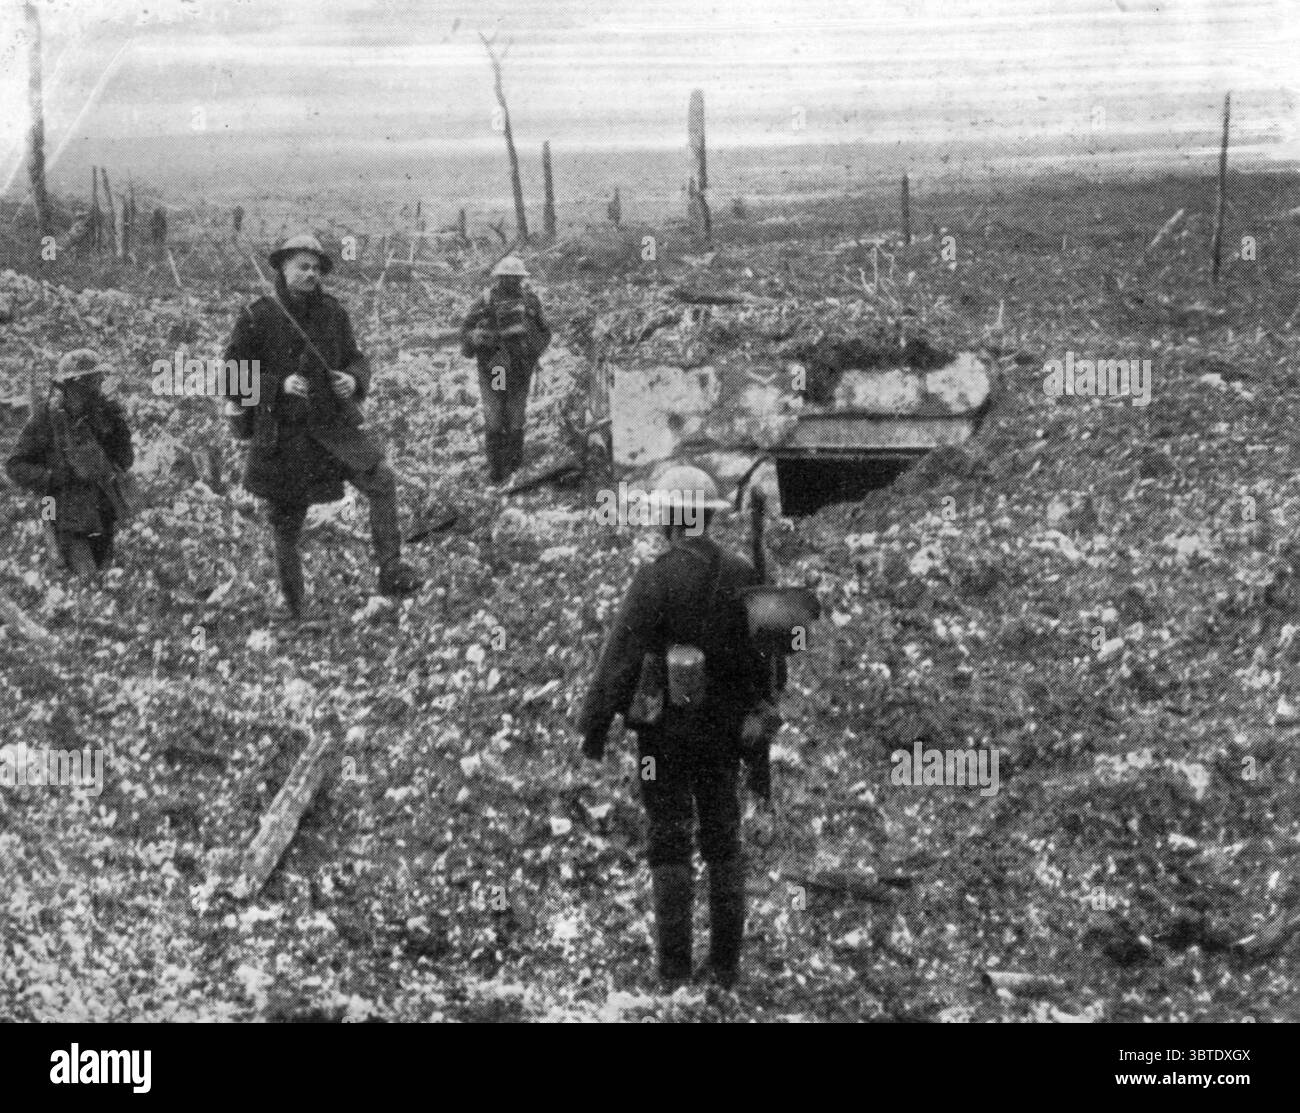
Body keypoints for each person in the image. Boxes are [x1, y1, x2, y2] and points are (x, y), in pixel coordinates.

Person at [577, 466, 783, 990]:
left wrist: (595, 725)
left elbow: (619, 657)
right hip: (725, 736)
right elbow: (778, 654)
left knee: (668, 841)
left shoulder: (654, 578)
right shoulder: (743, 573)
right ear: (708, 516)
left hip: (662, 740)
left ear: (669, 518)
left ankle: (672, 976)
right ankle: (725, 970)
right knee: (722, 839)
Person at [222, 232, 421, 619]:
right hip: (284, 436)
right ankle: (297, 609)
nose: (312, 274)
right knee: (286, 523)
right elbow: (229, 378)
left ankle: (391, 570)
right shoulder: (257, 316)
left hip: (333, 430)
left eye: (316, 268)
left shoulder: (333, 313)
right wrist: (276, 385)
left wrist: (353, 378)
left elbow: (356, 358)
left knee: (380, 480)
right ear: (282, 267)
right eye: (303, 266)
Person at [6, 349, 134, 575]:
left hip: (105, 514)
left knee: (112, 582)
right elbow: (15, 465)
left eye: (96, 381)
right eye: (88, 382)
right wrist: (51, 478)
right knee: (87, 582)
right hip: (64, 516)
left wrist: (117, 429)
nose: (94, 389)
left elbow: (125, 460)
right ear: (70, 386)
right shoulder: (46, 419)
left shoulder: (104, 415)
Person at [459, 255, 552, 484]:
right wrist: (476, 338)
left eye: (515, 278)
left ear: (521, 279)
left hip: (520, 369)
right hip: (496, 368)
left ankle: (515, 467)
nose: (510, 282)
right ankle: (497, 469)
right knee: (495, 417)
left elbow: (545, 332)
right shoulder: (485, 301)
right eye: (506, 278)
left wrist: (532, 351)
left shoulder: (530, 301)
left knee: (515, 418)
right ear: (499, 278)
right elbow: (466, 331)